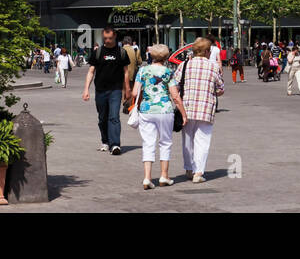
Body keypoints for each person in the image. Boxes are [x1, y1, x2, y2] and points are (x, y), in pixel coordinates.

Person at [131, 44, 188, 190]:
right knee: (165, 142)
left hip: (146, 110)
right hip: (164, 110)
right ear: (166, 57)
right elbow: (175, 96)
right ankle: (164, 175)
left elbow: (135, 92)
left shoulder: (142, 70)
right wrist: (183, 114)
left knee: (148, 143)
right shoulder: (168, 72)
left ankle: (147, 178)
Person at [175, 37, 226, 184]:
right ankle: (198, 172)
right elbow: (220, 89)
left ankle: (189, 168)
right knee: (202, 140)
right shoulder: (213, 67)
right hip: (205, 107)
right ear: (206, 51)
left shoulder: (184, 65)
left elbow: (175, 85)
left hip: (187, 107)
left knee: (187, 140)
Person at [82, 27, 131, 155]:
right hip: (100, 90)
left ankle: (115, 144)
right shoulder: (98, 52)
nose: (107, 40)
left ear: (115, 37)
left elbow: (126, 72)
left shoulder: (121, 52)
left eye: (110, 38)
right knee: (102, 118)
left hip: (116, 90)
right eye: (105, 38)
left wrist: (127, 89)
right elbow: (91, 71)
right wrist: (86, 89)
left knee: (114, 117)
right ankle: (105, 141)